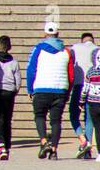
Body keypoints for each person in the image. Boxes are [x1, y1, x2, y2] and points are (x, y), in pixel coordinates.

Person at [27, 19, 74, 160]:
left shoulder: (38, 49)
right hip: (60, 90)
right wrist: (68, 91)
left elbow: (31, 70)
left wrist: (30, 88)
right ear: (58, 34)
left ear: (44, 34)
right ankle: (54, 150)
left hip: (41, 88)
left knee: (39, 116)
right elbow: (71, 74)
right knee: (56, 121)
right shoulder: (67, 51)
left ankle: (43, 141)